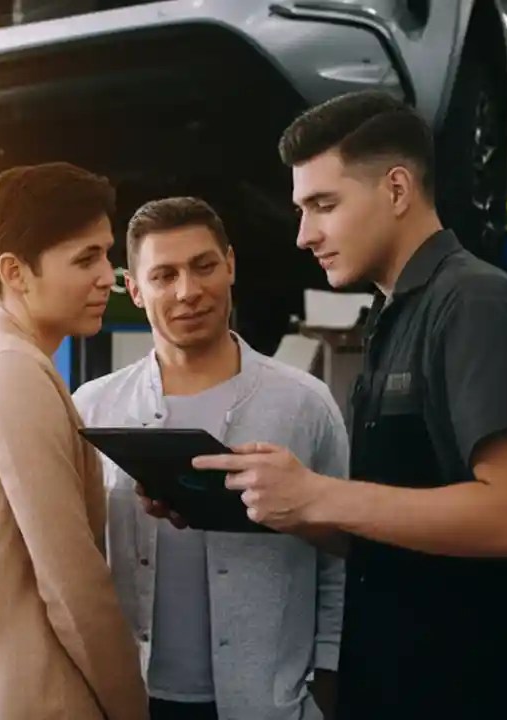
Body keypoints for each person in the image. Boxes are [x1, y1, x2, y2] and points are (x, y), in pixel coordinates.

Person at [193, 91, 507, 718]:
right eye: (302, 210)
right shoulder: (393, 318)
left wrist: (321, 494)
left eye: (324, 205)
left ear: (398, 189)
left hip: (489, 690)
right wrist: (275, 505)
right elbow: (398, 529)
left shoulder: (476, 306)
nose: (304, 235)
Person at [73, 197, 348, 720]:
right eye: (164, 275)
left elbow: (339, 558)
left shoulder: (304, 405)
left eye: (203, 266)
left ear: (230, 265)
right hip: (131, 698)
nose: (188, 291)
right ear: (134, 288)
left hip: (270, 702)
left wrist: (327, 679)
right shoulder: (94, 408)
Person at [0, 162, 147, 720]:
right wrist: (132, 708)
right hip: (22, 696)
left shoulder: (0, 362)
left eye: (107, 255)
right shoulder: (12, 374)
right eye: (85, 259)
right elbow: (72, 583)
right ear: (15, 272)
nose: (107, 277)